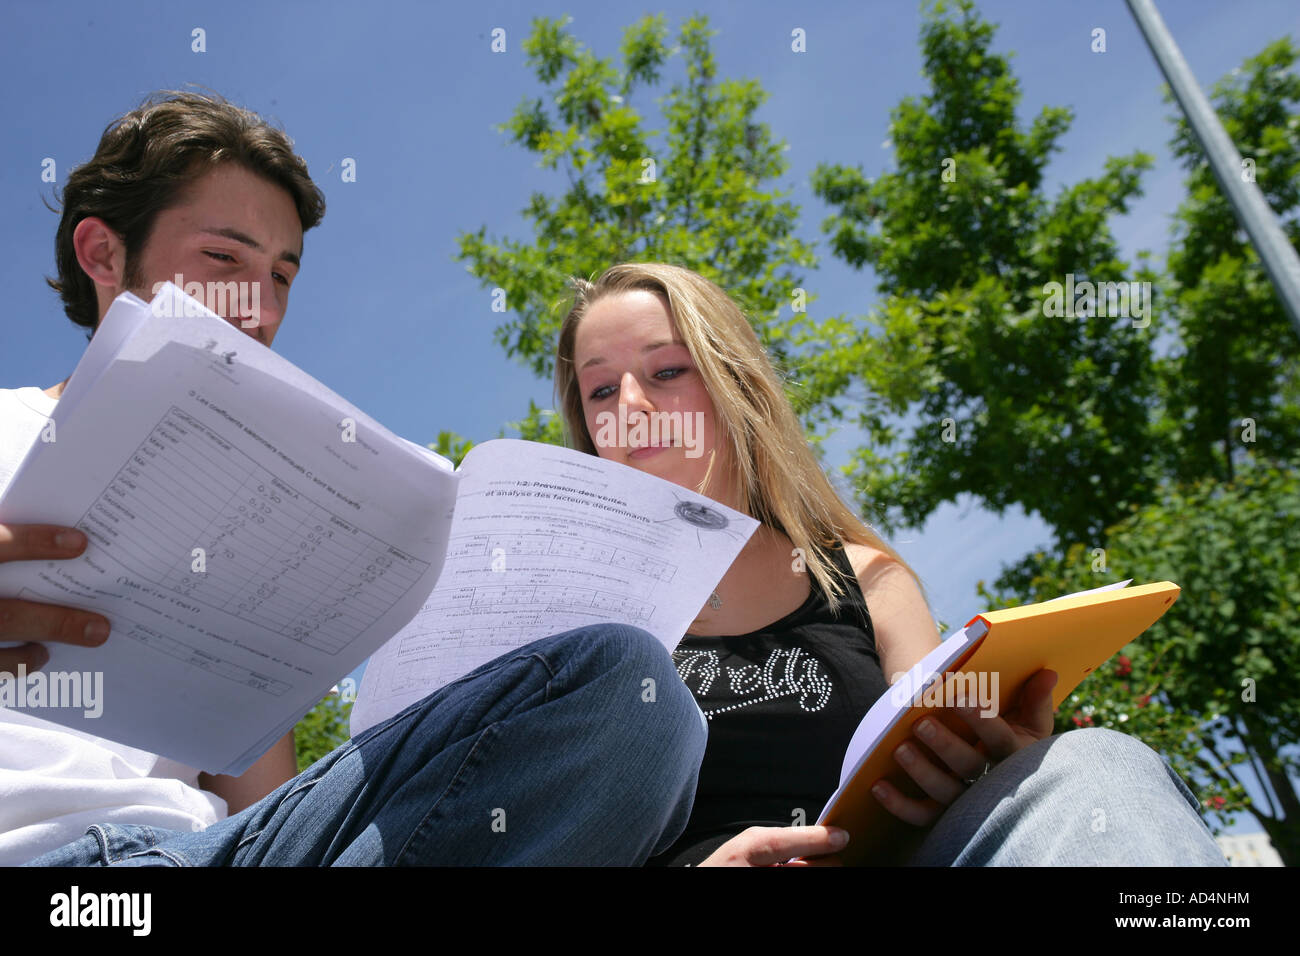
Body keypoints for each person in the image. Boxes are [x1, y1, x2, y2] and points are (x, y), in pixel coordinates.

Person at [5, 93, 706, 866]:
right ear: (103, 253)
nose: (262, 308)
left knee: (625, 692)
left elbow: (264, 802)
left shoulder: (262, 504)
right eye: (223, 258)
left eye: (282, 275)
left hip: (208, 850)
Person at [554, 261, 1229, 866]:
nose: (633, 407)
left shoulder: (867, 577)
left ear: (738, 384)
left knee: (1097, 765)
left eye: (667, 371)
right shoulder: (568, 610)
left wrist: (991, 755)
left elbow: (945, 750)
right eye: (601, 392)